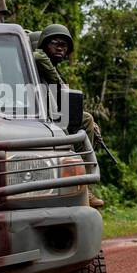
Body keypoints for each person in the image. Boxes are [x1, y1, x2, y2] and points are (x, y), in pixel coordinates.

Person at [33, 24, 103, 209]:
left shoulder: (53, 69)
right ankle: (82, 185)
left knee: (86, 119)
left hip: (51, 116)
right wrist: (58, 81)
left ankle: (84, 184)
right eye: (55, 43)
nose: (59, 48)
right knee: (83, 121)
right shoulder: (37, 60)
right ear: (44, 45)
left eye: (64, 46)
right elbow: (38, 55)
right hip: (35, 117)